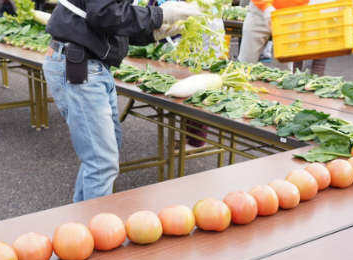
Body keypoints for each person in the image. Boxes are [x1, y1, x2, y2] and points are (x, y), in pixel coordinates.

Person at [44, 0, 201, 202]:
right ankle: (94, 221)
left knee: (102, 155)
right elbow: (104, 14)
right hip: (81, 66)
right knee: (101, 162)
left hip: (90, 65)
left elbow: (113, 22)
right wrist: (159, 15)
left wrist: (153, 33)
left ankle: (82, 217)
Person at [238, 0, 327, 75]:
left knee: (284, 70)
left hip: (291, 13)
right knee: (245, 62)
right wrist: (266, 7)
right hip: (260, 12)